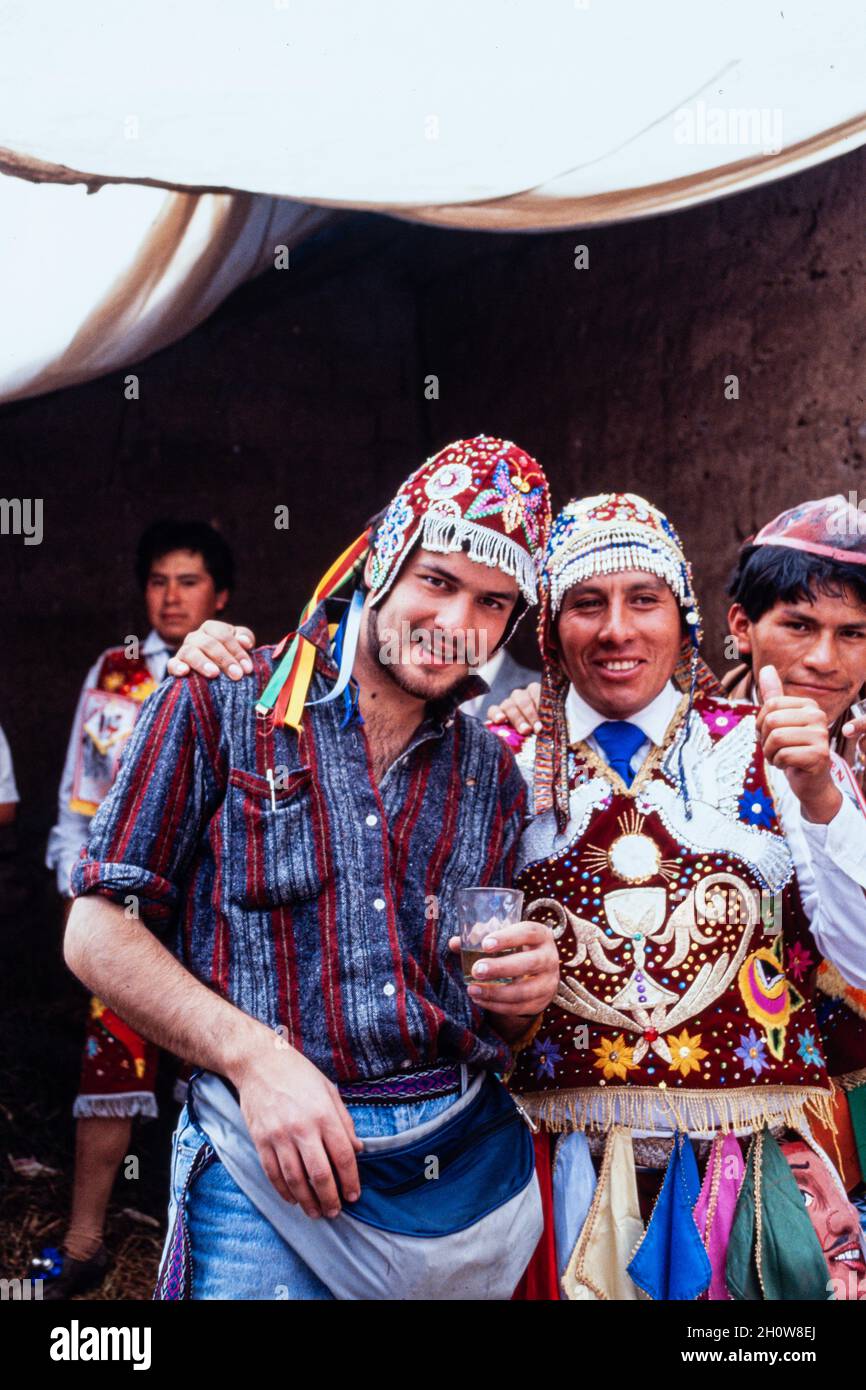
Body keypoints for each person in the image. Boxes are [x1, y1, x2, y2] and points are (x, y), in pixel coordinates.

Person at [63, 437, 561, 1301]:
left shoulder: (494, 774)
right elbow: (95, 930)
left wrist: (521, 1003)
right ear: (376, 564)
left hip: (459, 1180)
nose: (457, 624)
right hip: (265, 1169)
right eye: (436, 582)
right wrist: (257, 1062)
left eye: (492, 602)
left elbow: (485, 1021)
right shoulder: (220, 699)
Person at [499, 492, 866, 1300]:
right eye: (586, 604)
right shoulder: (500, 758)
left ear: (686, 616)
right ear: (551, 626)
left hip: (746, 1175)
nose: (617, 630)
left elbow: (861, 953)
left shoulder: (771, 744)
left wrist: (821, 796)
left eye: (644, 601)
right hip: (557, 1170)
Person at [33, 520, 234, 1300]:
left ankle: (211, 1246)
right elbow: (76, 800)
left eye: (189, 582)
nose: (172, 596)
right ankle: (84, 1242)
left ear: (222, 595)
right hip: (124, 906)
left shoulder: (243, 673)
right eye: (159, 580)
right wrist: (73, 888)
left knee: (215, 1066)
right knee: (110, 1061)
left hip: (216, 911)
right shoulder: (115, 673)